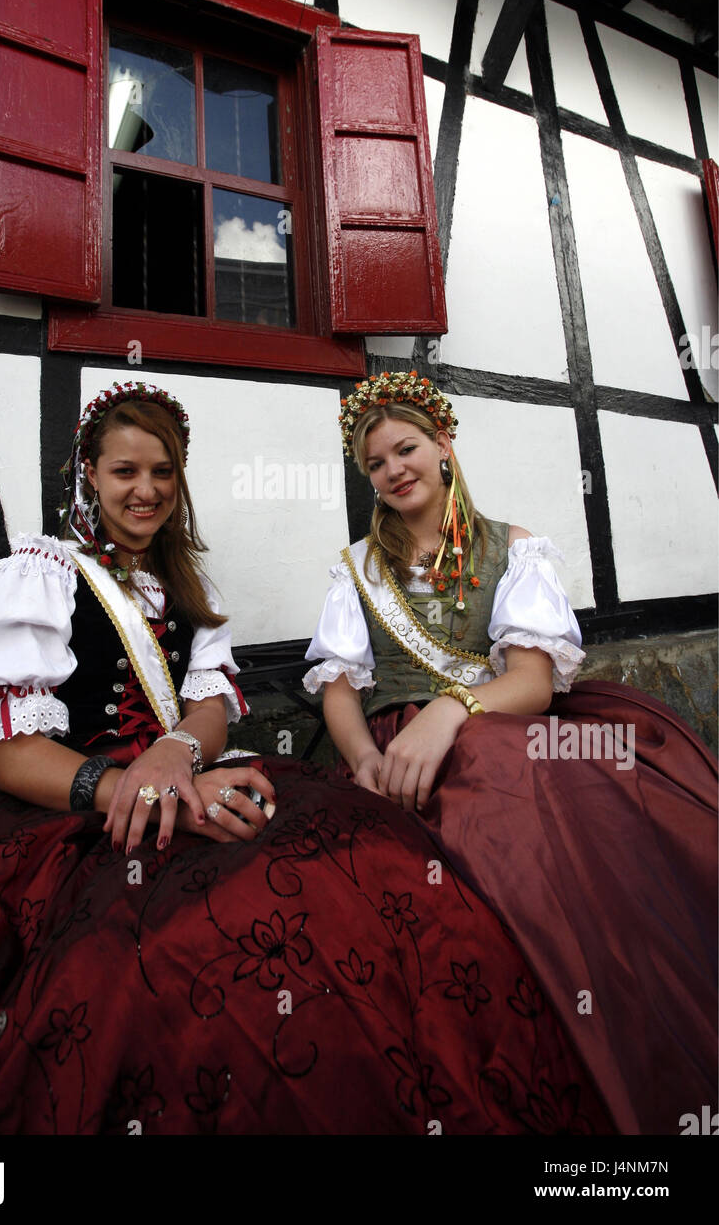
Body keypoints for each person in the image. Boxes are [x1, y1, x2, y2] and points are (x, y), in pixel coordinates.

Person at [0, 379, 696, 1136]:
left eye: (163, 474)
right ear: (90, 476)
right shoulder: (40, 574)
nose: (145, 490)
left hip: (185, 772)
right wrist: (131, 781)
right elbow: (5, 753)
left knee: (368, 871)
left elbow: (209, 704)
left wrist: (180, 753)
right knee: (140, 965)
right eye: (124, 473)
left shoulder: (188, 583)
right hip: (67, 805)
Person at [302, 368, 717, 1135]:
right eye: (376, 462)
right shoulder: (356, 568)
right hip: (396, 740)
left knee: (544, 781)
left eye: (408, 448)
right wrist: (361, 758)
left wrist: (448, 712)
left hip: (494, 725)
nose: (394, 469)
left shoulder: (514, 549)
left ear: (444, 446)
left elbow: (529, 681)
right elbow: (338, 688)